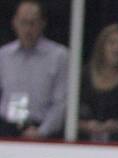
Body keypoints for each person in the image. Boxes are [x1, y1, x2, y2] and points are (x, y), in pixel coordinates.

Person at [0, 1, 68, 139]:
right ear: (14, 23)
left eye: (33, 23)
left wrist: (43, 131)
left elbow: (61, 101)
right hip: (7, 128)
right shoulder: (4, 55)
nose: (28, 29)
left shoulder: (58, 56)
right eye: (23, 23)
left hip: (42, 130)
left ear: (42, 24)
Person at [78, 23, 118, 143]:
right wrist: (85, 125)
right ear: (101, 46)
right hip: (82, 142)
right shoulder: (83, 75)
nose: (117, 48)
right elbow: (68, 113)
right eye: (112, 43)